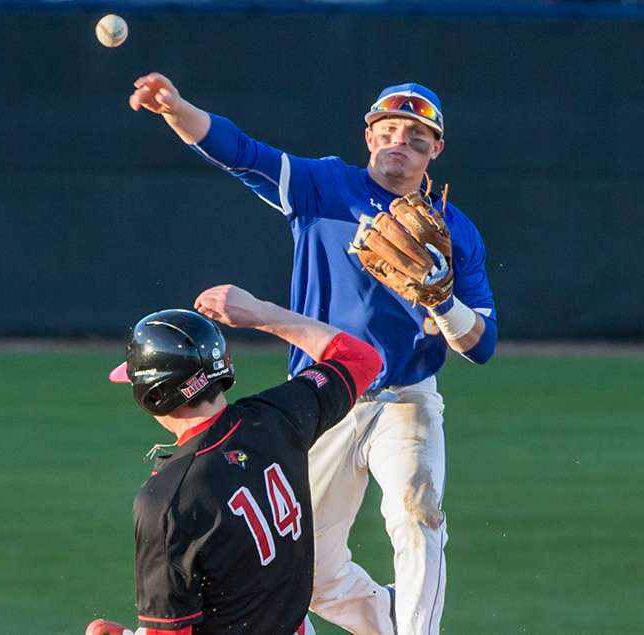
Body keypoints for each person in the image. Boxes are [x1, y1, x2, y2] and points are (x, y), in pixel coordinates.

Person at [128, 75, 497, 635]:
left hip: (405, 397)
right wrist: (177, 109)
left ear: (436, 149)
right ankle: (394, 620)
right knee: (315, 572)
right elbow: (241, 153)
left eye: (418, 135)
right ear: (369, 135)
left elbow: (481, 345)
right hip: (324, 397)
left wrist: (444, 301)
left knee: (416, 515)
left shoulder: (456, 232)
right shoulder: (323, 185)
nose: (401, 141)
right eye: (390, 129)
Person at [92, 284, 382, 635]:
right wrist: (262, 313)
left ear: (154, 395)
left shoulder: (167, 501)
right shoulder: (279, 416)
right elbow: (362, 358)